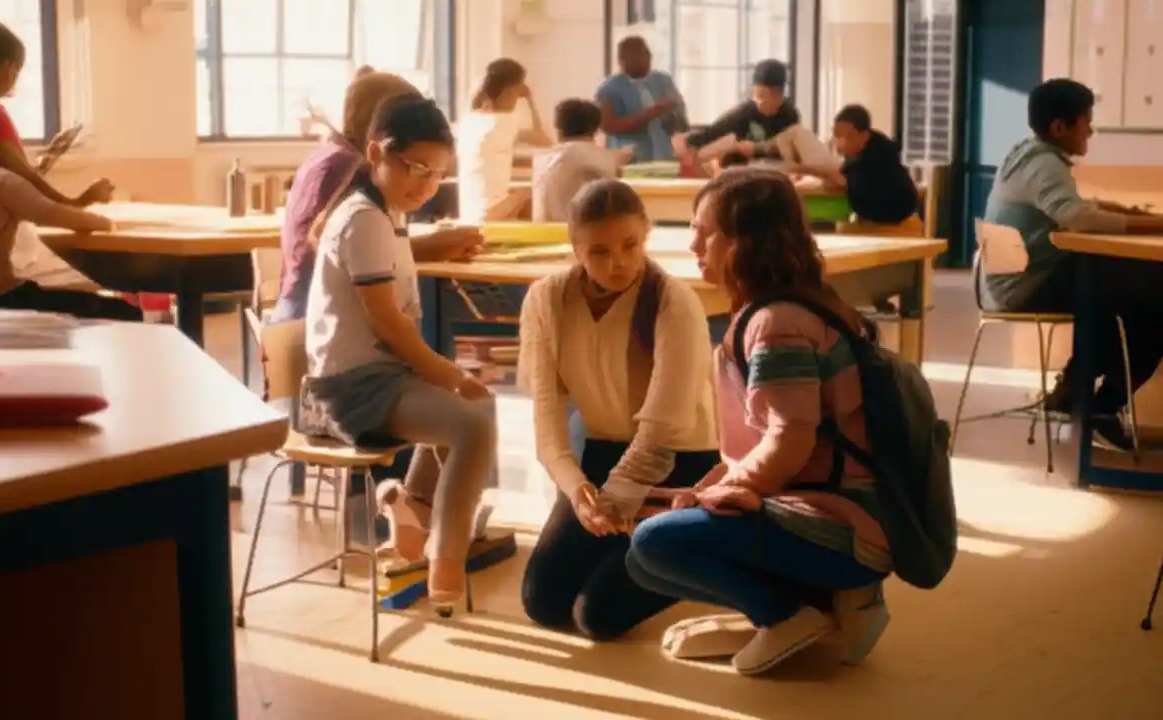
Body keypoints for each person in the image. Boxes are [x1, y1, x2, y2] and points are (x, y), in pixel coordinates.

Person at [625, 168, 892, 676]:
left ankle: (789, 613)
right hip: (822, 510)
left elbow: (791, 437)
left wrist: (717, 494)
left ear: (746, 241)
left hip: (839, 524)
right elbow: (767, 444)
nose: (693, 243)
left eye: (706, 232)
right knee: (644, 556)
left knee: (654, 543)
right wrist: (705, 487)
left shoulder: (776, 324)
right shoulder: (797, 305)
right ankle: (808, 608)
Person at [298, 96, 495, 614]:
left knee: (480, 407)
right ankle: (445, 556)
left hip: (378, 377)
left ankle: (413, 514)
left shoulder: (387, 214)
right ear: (375, 153)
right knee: (471, 424)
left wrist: (447, 378)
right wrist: (448, 374)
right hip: (349, 389)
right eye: (414, 168)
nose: (425, 184)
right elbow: (387, 324)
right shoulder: (363, 219)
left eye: (436, 175)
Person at [517, 179, 719, 641]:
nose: (618, 262)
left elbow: (663, 426)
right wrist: (577, 491)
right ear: (575, 249)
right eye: (599, 252)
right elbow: (548, 421)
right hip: (604, 456)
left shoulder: (673, 300)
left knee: (597, 616)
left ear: (646, 234)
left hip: (678, 463)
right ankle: (646, 546)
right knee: (543, 602)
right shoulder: (546, 300)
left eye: (630, 245)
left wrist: (616, 500)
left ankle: (698, 550)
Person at [984, 78, 1163, 448]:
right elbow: (1075, 217)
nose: (1091, 130)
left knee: (1138, 296)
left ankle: (1076, 391)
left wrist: (1121, 211)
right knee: (1150, 295)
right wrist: (1154, 223)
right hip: (1027, 284)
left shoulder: (1028, 153)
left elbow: (1070, 207)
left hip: (1017, 277)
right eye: (1086, 121)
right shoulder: (1045, 164)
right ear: (1059, 128)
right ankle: (1097, 405)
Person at [273, 72, 483, 322]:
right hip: (311, 318)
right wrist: (431, 247)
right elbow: (335, 247)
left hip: (303, 307)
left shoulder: (331, 154)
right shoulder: (347, 166)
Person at [0, 163, 141, 321]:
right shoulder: (0, 182)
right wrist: (106, 223)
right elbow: (52, 213)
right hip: (0, 299)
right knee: (125, 312)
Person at [0, 17, 112, 208]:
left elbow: (11, 177)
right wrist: (77, 202)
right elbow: (25, 181)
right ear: (5, 68)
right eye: (16, 71)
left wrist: (47, 160)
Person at [792, 104, 923, 236]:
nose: (840, 143)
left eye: (848, 136)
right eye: (837, 135)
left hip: (889, 226)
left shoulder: (875, 160)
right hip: (892, 223)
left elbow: (847, 181)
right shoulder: (876, 151)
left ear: (864, 136)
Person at [456, 58, 553, 222]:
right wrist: (530, 100)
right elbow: (543, 141)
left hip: (469, 213)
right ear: (510, 89)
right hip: (490, 213)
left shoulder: (469, 121)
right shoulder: (504, 122)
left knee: (516, 195)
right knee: (530, 191)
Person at [679, 59, 800, 164]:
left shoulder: (789, 115)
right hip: (745, 174)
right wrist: (685, 142)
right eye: (757, 95)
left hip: (779, 173)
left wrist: (755, 148)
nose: (760, 102)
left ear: (780, 94)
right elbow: (711, 134)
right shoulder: (744, 112)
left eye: (766, 96)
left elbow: (791, 148)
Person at [531, 99, 630, 222]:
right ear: (596, 129)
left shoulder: (543, 156)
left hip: (542, 230)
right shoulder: (593, 155)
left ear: (557, 126)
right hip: (577, 231)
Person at [596, 36, 687, 163]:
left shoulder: (663, 81)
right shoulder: (609, 89)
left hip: (664, 157)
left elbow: (680, 124)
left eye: (647, 53)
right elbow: (608, 126)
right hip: (629, 160)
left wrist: (673, 113)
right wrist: (652, 112)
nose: (646, 58)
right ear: (622, 60)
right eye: (638, 55)